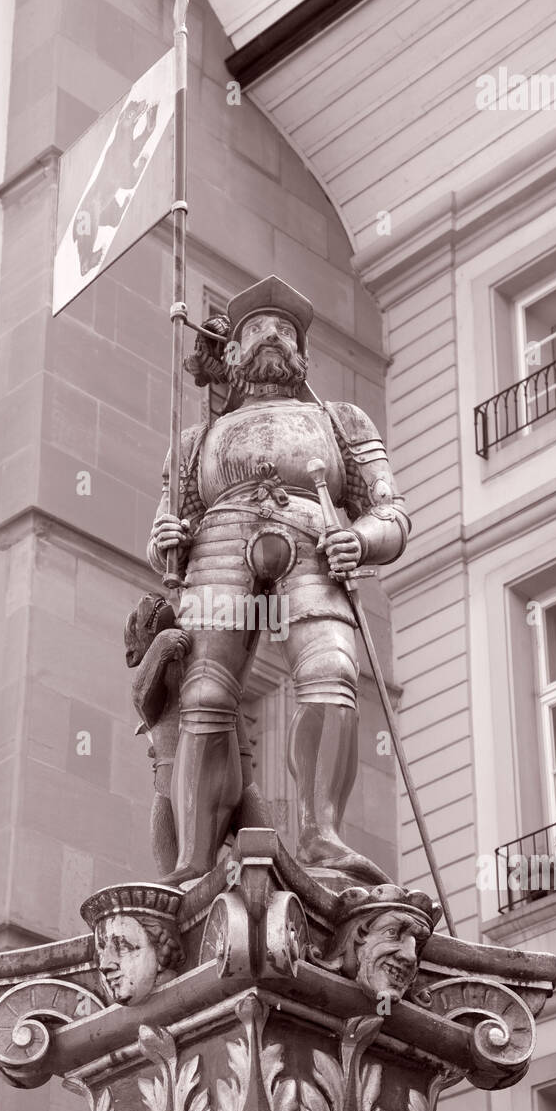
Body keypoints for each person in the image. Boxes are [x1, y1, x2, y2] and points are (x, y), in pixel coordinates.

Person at [147, 275, 411, 886]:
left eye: (284, 331)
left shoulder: (341, 422)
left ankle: (323, 834)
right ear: (233, 354)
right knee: (206, 695)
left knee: (333, 674)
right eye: (255, 331)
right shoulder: (194, 442)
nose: (271, 337)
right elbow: (168, 520)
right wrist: (166, 537)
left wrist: (361, 539)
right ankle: (194, 856)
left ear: (304, 355)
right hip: (219, 545)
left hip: (313, 539)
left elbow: (392, 512)